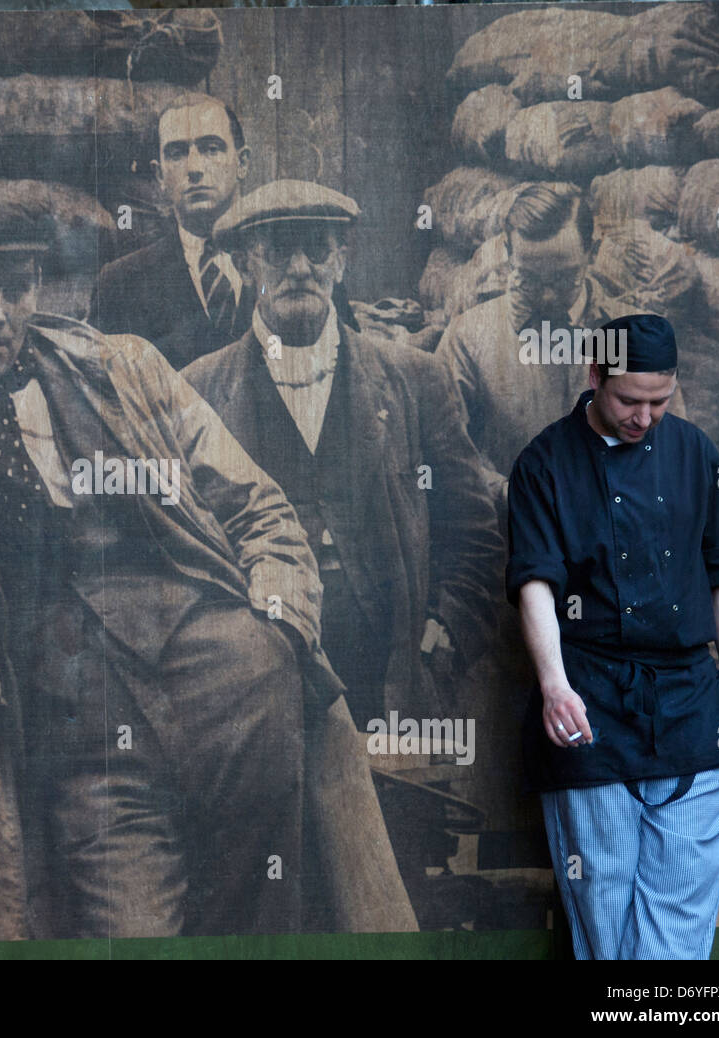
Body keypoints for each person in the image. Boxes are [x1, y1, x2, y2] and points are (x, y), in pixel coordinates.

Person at [0, 177, 351, 939]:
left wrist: (279, 614)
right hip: (83, 742)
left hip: (227, 684)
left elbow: (255, 504)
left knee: (265, 912)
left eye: (17, 286)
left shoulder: (123, 369)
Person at [185, 179, 502, 731]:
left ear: (343, 259)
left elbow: (473, 528)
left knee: (405, 814)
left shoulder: (415, 380)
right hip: (260, 686)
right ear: (243, 263)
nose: (301, 267)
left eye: (319, 247)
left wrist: (447, 629)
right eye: (280, 250)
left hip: (394, 674)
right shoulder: (200, 392)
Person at [506, 314, 719, 960]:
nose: (645, 417)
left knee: (676, 932)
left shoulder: (697, 453)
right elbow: (535, 580)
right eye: (629, 400)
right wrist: (554, 687)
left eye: (660, 401)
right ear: (594, 377)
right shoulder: (544, 463)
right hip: (590, 705)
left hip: (692, 707)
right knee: (604, 915)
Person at [436, 183, 684, 499]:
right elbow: (447, 456)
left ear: (592, 253)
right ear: (510, 255)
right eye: (532, 279)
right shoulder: (469, 338)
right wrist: (513, 495)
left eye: (564, 278)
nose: (548, 295)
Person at [92, 93, 254, 369]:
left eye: (211, 149)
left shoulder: (293, 265)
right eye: (177, 153)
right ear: (159, 176)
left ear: (242, 163)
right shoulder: (120, 284)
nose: (194, 168)